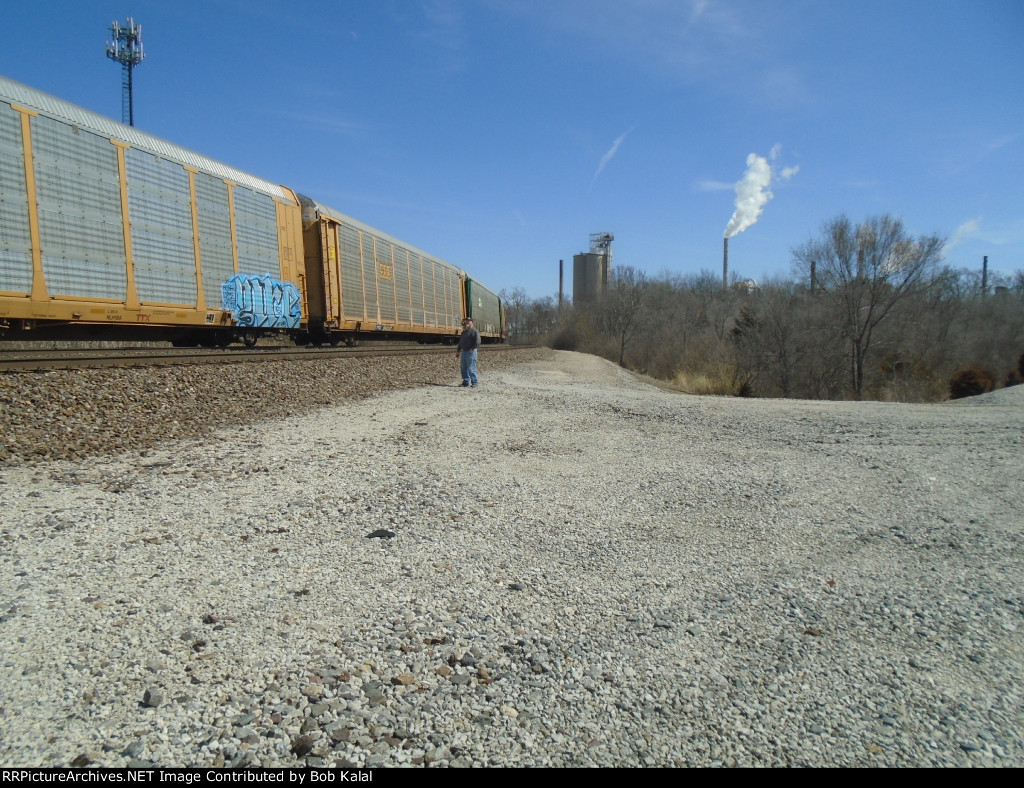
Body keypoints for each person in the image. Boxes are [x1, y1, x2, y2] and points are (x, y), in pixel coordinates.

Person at [457, 316, 481, 387]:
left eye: (468, 321)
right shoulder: (464, 332)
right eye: (466, 321)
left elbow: (478, 341)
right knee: (463, 368)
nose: (467, 322)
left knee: (471, 367)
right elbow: (460, 342)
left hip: (471, 352)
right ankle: (466, 382)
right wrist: (458, 351)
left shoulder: (474, 331)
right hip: (464, 351)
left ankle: (474, 382)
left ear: (472, 322)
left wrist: (472, 348)